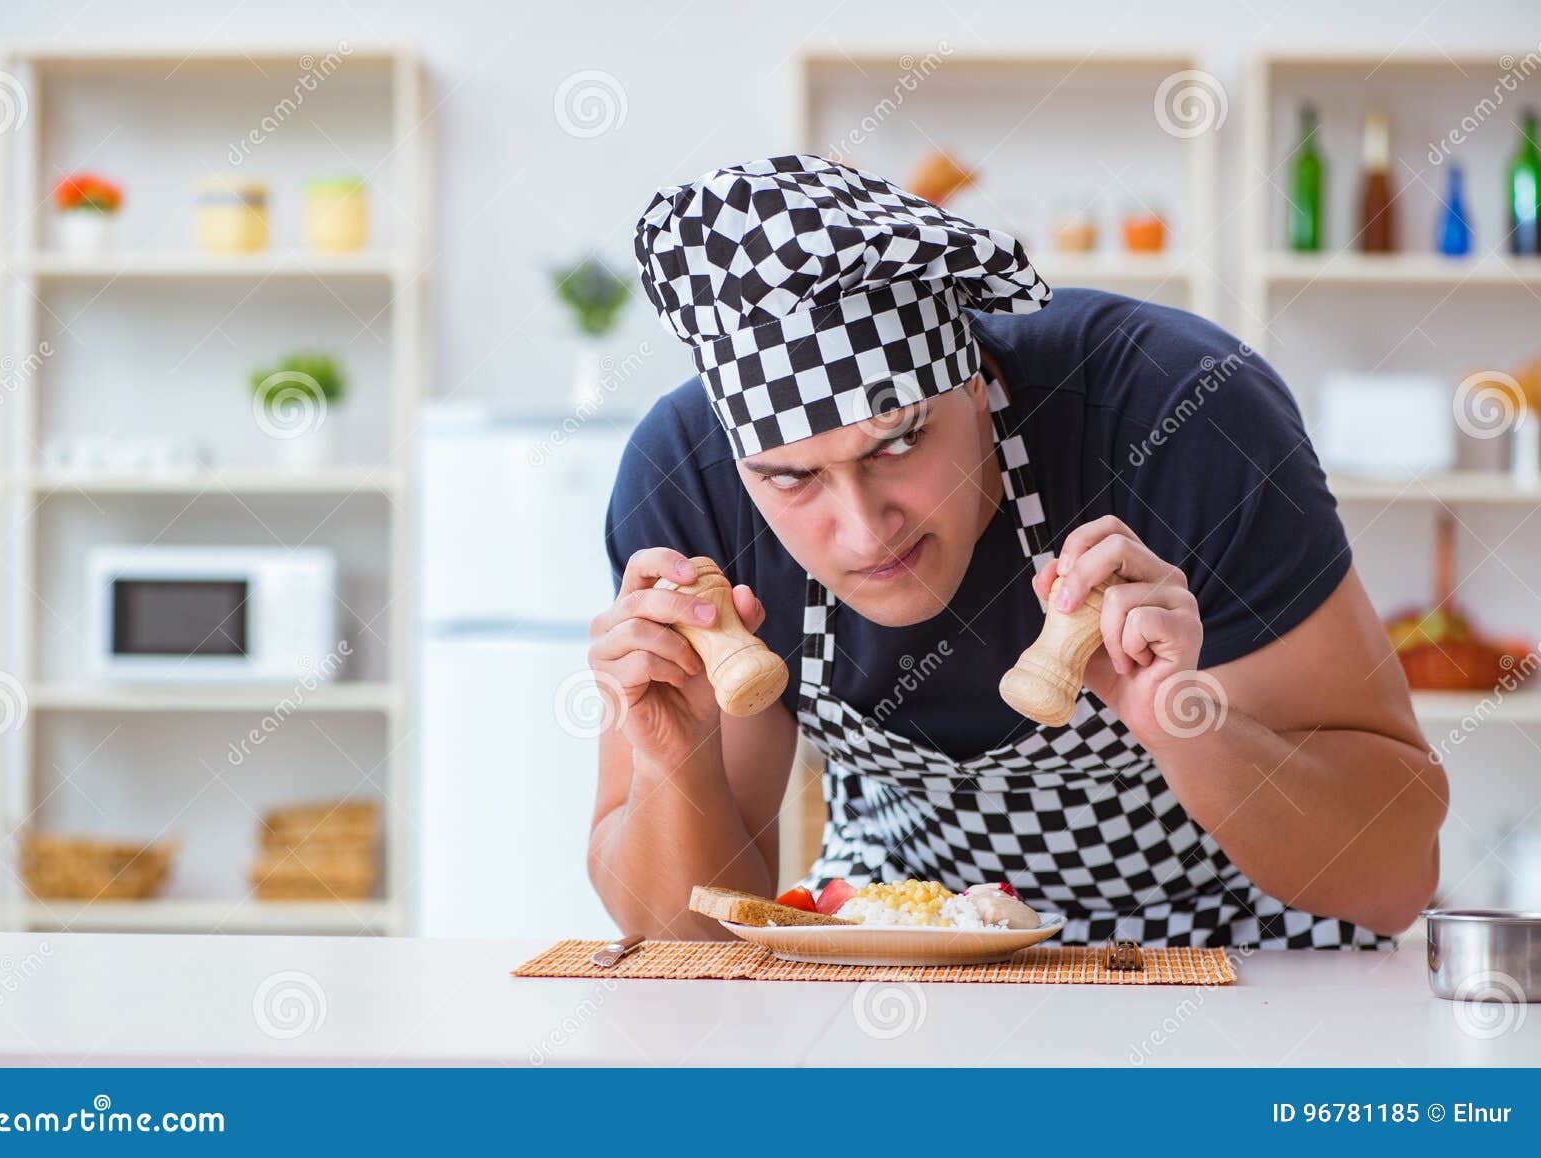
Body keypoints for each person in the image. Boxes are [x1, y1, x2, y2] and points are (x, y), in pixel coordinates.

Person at [588, 155, 1446, 947]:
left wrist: (1183, 724)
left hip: (1245, 958)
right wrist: (674, 763)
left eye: (897, 444)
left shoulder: (1182, 416)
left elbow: (1395, 878)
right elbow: (695, 947)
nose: (864, 528)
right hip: (892, 947)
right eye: (791, 478)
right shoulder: (685, 487)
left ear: (972, 374)